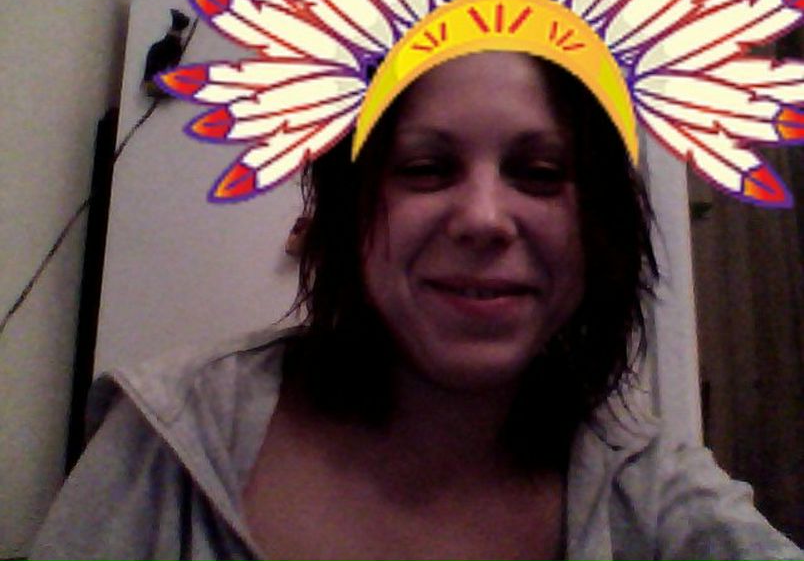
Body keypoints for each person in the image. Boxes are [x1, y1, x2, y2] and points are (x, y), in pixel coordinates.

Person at [30, 51, 803, 560]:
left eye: (539, 173)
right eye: (427, 168)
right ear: (349, 212)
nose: (484, 219)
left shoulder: (652, 491)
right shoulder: (173, 435)